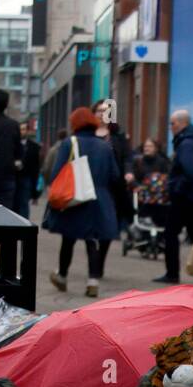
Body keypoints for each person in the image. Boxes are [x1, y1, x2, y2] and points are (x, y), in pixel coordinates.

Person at [43, 106, 121, 299]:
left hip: (76, 196)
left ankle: (62, 275)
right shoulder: (105, 146)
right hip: (99, 199)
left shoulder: (70, 143)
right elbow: (115, 175)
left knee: (68, 239)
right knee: (92, 240)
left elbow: (56, 172)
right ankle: (92, 281)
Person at [155, 109, 193, 284]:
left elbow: (190, 172)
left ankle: (172, 273)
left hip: (185, 198)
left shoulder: (186, 145)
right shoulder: (192, 142)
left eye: (172, 123)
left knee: (172, 233)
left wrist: (176, 188)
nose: (170, 127)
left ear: (182, 123)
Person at [94, 101, 134, 233]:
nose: (102, 114)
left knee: (112, 211)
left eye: (106, 111)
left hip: (114, 181)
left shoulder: (119, 136)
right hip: (93, 180)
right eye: (99, 110)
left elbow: (127, 157)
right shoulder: (88, 134)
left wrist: (128, 172)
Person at [132, 137, 169, 226]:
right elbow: (134, 178)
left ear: (156, 148)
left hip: (159, 197)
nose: (147, 148)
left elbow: (167, 178)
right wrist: (137, 186)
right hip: (142, 195)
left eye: (150, 146)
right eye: (145, 146)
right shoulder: (138, 162)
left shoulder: (163, 162)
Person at [14, 120, 41, 220]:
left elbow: (36, 168)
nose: (22, 132)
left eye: (24, 129)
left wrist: (35, 192)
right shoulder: (12, 145)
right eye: (20, 129)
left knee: (24, 204)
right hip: (14, 178)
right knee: (14, 205)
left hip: (27, 179)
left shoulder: (34, 147)